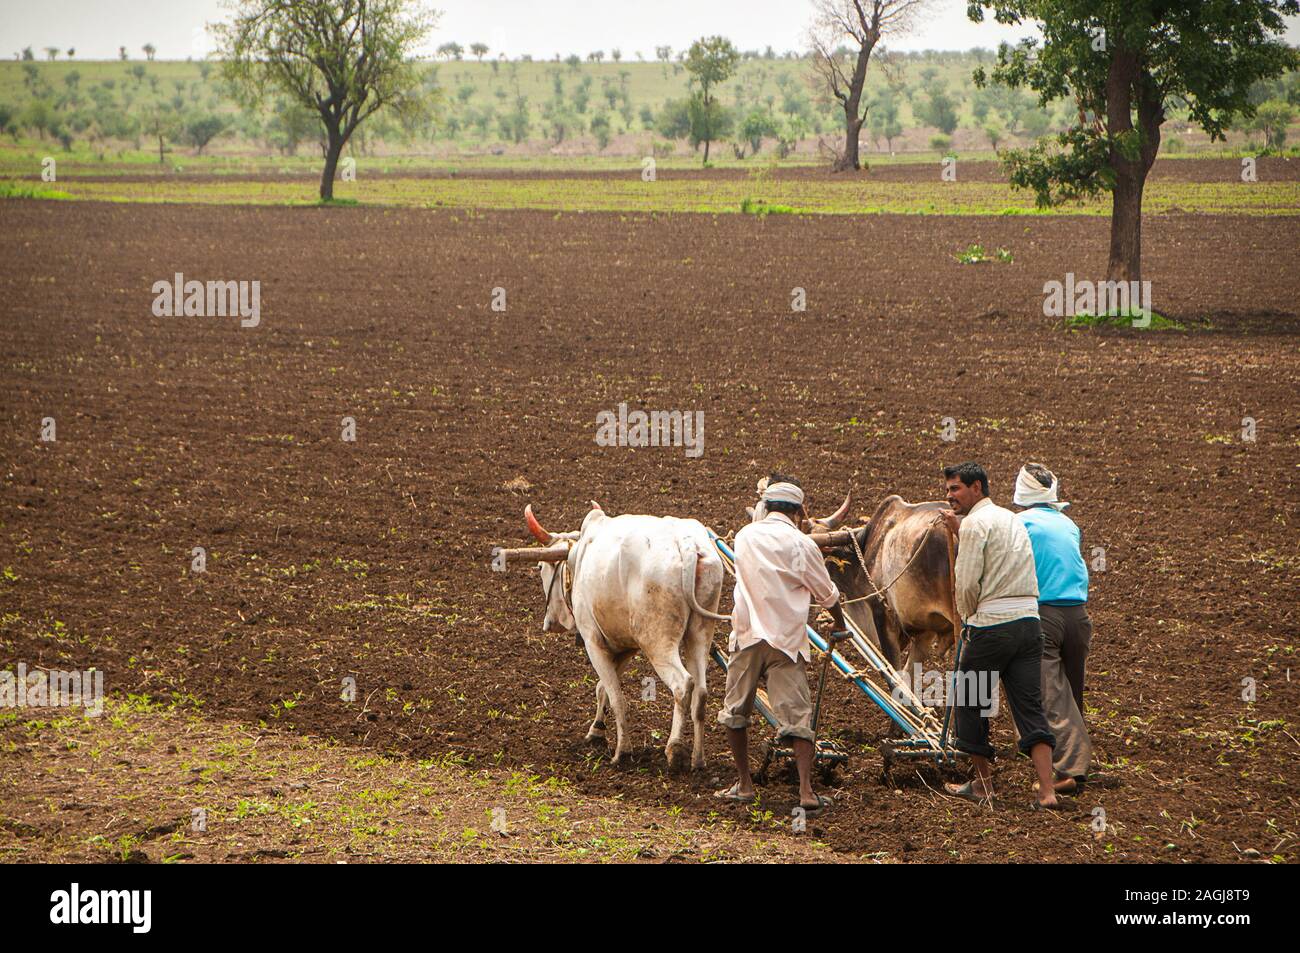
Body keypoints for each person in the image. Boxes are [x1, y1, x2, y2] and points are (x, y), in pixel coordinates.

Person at [716, 474, 850, 816]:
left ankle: (744, 784)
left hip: (746, 636)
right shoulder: (803, 544)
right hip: (786, 642)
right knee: (797, 716)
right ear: (800, 513)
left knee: (735, 711)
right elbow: (827, 593)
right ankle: (806, 792)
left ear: (765, 507)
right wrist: (840, 623)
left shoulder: (744, 537)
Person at [938, 462, 1060, 809]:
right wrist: (960, 529)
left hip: (991, 627)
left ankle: (983, 786)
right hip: (1028, 625)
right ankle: (1047, 792)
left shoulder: (975, 524)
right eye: (948, 490)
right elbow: (999, 555)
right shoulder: (1012, 519)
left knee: (970, 701)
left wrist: (965, 617)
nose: (950, 496)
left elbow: (968, 581)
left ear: (977, 487)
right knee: (1029, 707)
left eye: (955, 489)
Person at [1013, 463, 1093, 794]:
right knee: (1071, 692)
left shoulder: (1020, 523)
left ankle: (1069, 772)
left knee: (1048, 695)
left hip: (1044, 615)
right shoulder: (1068, 523)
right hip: (1078, 615)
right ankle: (1067, 756)